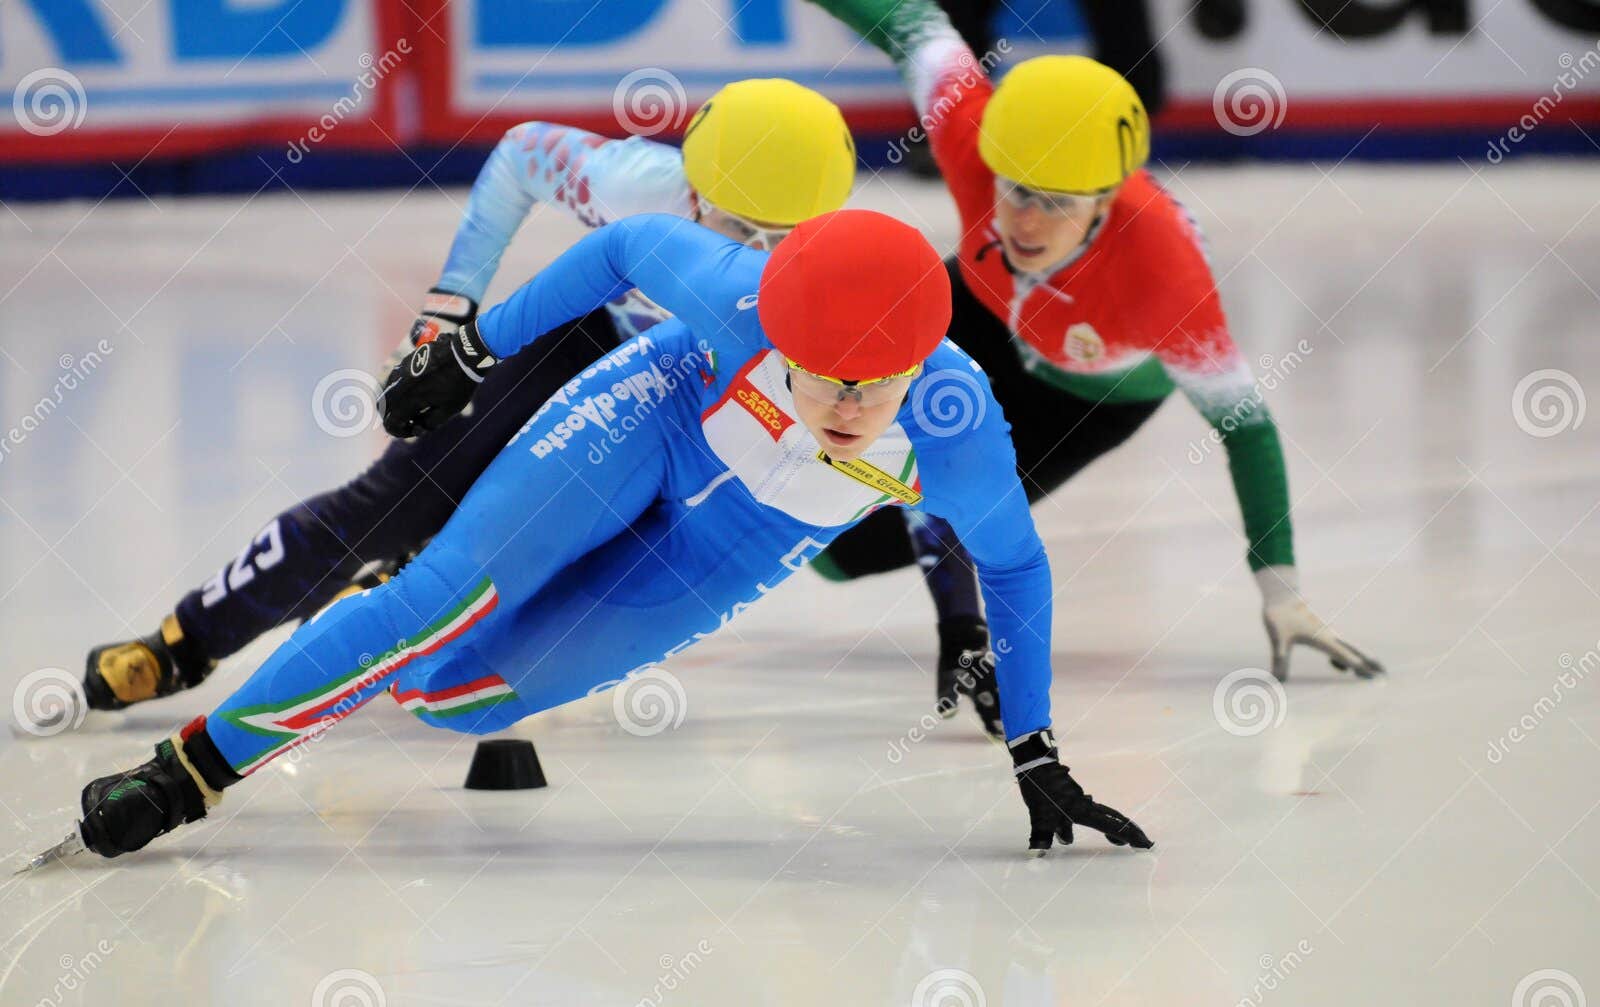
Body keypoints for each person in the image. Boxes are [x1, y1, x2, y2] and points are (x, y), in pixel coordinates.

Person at [73, 209, 1153, 861]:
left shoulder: (958, 431)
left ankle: (395, 612)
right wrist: (472, 349)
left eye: (877, 388)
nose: (847, 406)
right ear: (778, 333)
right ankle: (191, 770)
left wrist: (1035, 741)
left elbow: (1012, 563)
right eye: (822, 377)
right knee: (442, 598)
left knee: (455, 695)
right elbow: (626, 247)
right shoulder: (739, 300)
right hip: (660, 407)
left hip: (740, 530)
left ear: (924, 365)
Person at [68, 79, 876, 715]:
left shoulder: (847, 269)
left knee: (552, 554)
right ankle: (186, 639)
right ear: (692, 194)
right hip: (598, 341)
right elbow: (523, 156)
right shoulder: (635, 185)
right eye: (739, 232)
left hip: (702, 400)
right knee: (398, 498)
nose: (757, 262)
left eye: (785, 241)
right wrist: (452, 305)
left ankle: (417, 604)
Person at [806, 0, 1383, 688]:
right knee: (818, 428)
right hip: (980, 308)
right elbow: (913, 24)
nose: (1024, 220)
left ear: (1105, 201)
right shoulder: (972, 137)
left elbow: (1246, 428)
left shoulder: (1164, 275)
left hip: (1083, 397)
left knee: (842, 554)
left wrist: (1282, 592)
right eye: (1016, 190)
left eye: (1058, 202)